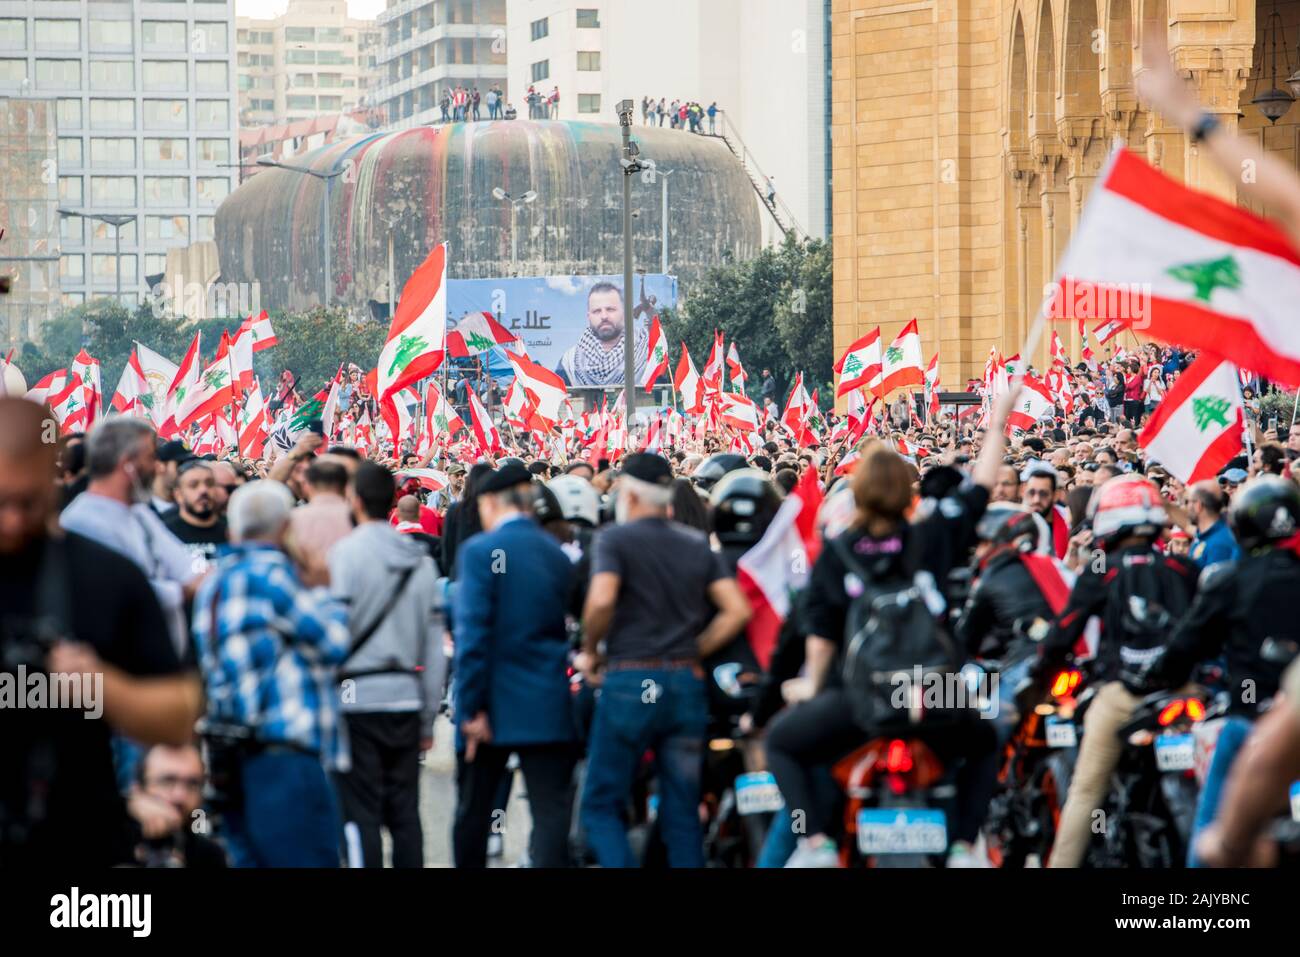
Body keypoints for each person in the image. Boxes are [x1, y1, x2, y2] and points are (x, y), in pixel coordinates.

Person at [763, 390, 1015, 868]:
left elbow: (820, 638)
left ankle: (815, 843)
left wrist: (809, 686)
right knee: (986, 742)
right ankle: (964, 846)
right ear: (908, 491)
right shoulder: (934, 533)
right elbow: (981, 485)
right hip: (935, 695)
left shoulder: (837, 552)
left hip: (862, 701)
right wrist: (998, 419)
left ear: (855, 491)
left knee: (781, 742)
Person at [0, 397, 201, 868]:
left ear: (52, 479)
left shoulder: (105, 575)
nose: (11, 519)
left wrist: (101, 685)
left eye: (26, 501)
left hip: (78, 836)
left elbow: (178, 714)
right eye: (0, 500)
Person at [577, 453, 753, 867]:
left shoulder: (614, 540)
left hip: (630, 679)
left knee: (601, 804)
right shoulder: (695, 544)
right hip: (684, 683)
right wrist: (697, 648)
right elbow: (737, 610)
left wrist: (590, 651)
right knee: (681, 811)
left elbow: (602, 599)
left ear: (632, 497)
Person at [1037, 474, 1199, 868]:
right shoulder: (1182, 568)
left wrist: (1040, 673)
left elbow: (1064, 632)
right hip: (1185, 693)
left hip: (1122, 693)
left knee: (1087, 790)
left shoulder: (1101, 570)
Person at [191, 480, 352, 868]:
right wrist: (323, 586)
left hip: (230, 755)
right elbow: (336, 641)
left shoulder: (211, 584)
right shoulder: (277, 577)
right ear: (285, 528)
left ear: (233, 529)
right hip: (286, 754)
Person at [1147, 476, 1300, 866]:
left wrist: (1158, 674)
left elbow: (1185, 646)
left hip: (1251, 725)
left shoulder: (1230, 581)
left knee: (1208, 846)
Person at [451, 464, 579, 867]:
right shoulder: (555, 553)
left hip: (491, 702)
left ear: (490, 503)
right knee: (550, 812)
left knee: (475, 810)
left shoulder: (479, 552)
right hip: (546, 697)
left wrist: (469, 707)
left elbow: (474, 635)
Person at [331, 463, 445, 868]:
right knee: (404, 813)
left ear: (354, 500)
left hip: (355, 702)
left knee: (360, 814)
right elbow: (434, 652)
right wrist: (429, 717)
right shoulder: (422, 562)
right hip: (405, 700)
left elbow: (331, 638)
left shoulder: (342, 556)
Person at [60, 418, 202, 655]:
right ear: (127, 465)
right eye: (150, 457)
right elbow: (115, 593)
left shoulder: (140, 515)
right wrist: (181, 591)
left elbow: (189, 567)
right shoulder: (80, 522)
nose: (157, 467)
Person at [128, 743, 228, 868]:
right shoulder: (114, 842)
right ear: (138, 789)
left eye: (192, 784)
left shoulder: (209, 855)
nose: (180, 796)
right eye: (167, 781)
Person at [554, 282, 648, 387]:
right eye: (597, 311)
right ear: (588, 317)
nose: (604, 316)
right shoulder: (569, 362)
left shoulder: (645, 353)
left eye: (610, 309)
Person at [163, 460, 228, 570]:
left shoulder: (232, 530)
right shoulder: (165, 533)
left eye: (209, 484)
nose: (203, 490)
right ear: (178, 495)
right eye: (193, 485)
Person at [1185, 480, 1241, 568]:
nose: (1186, 507)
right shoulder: (1202, 535)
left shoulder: (1219, 544)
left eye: (1187, 502)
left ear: (1198, 505)